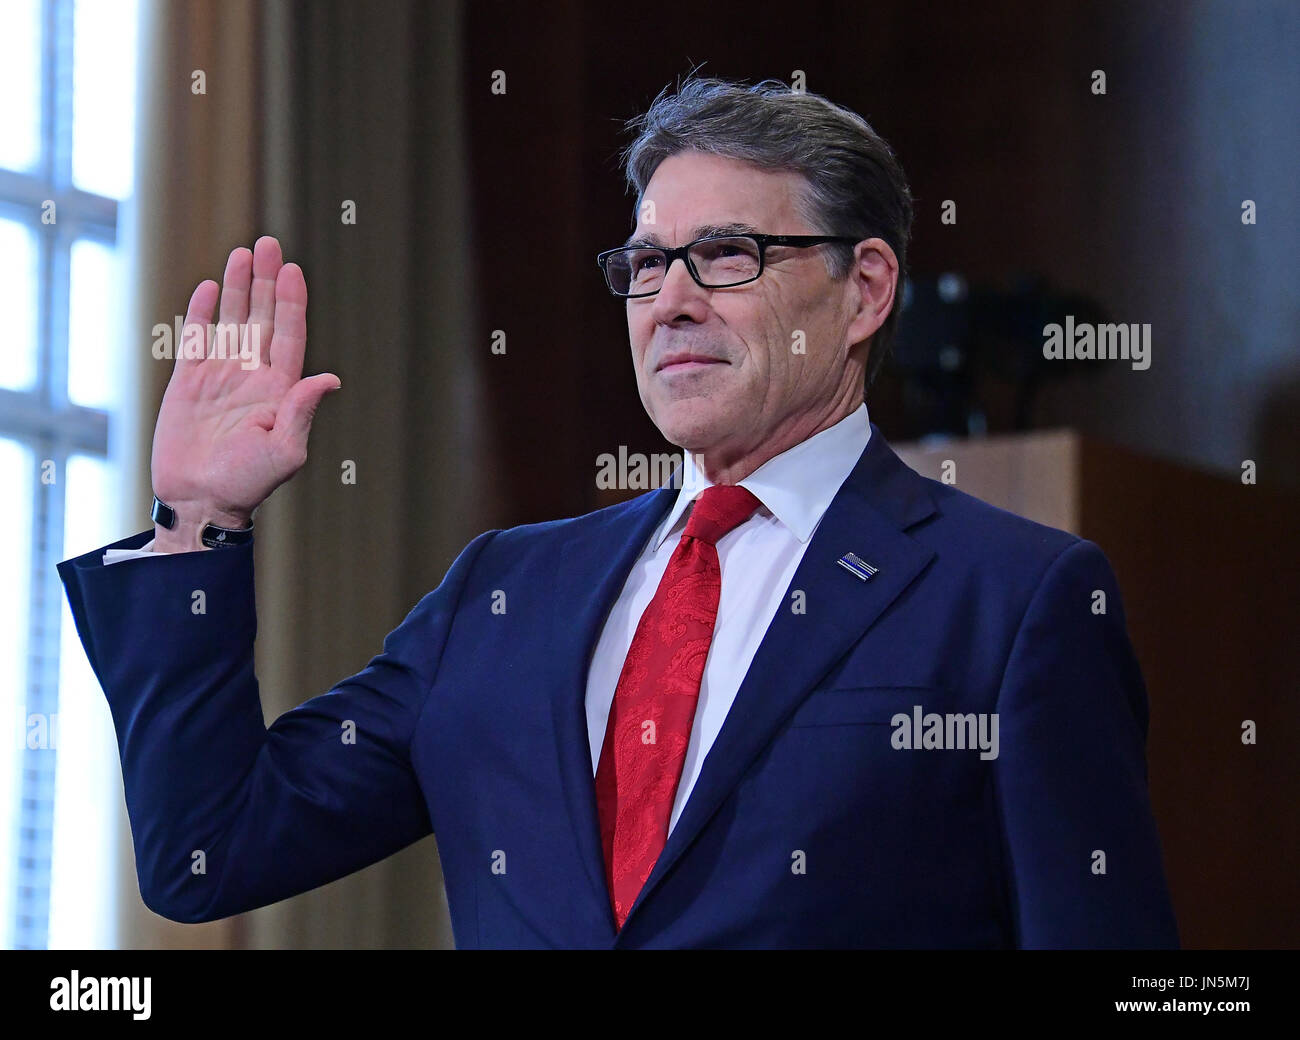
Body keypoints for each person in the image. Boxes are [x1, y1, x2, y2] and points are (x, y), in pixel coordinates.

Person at [59, 76, 1179, 948]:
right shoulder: (506, 590)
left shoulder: (1017, 599)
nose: (671, 299)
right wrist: (198, 516)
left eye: (725, 254)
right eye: (646, 265)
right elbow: (210, 849)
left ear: (864, 289)